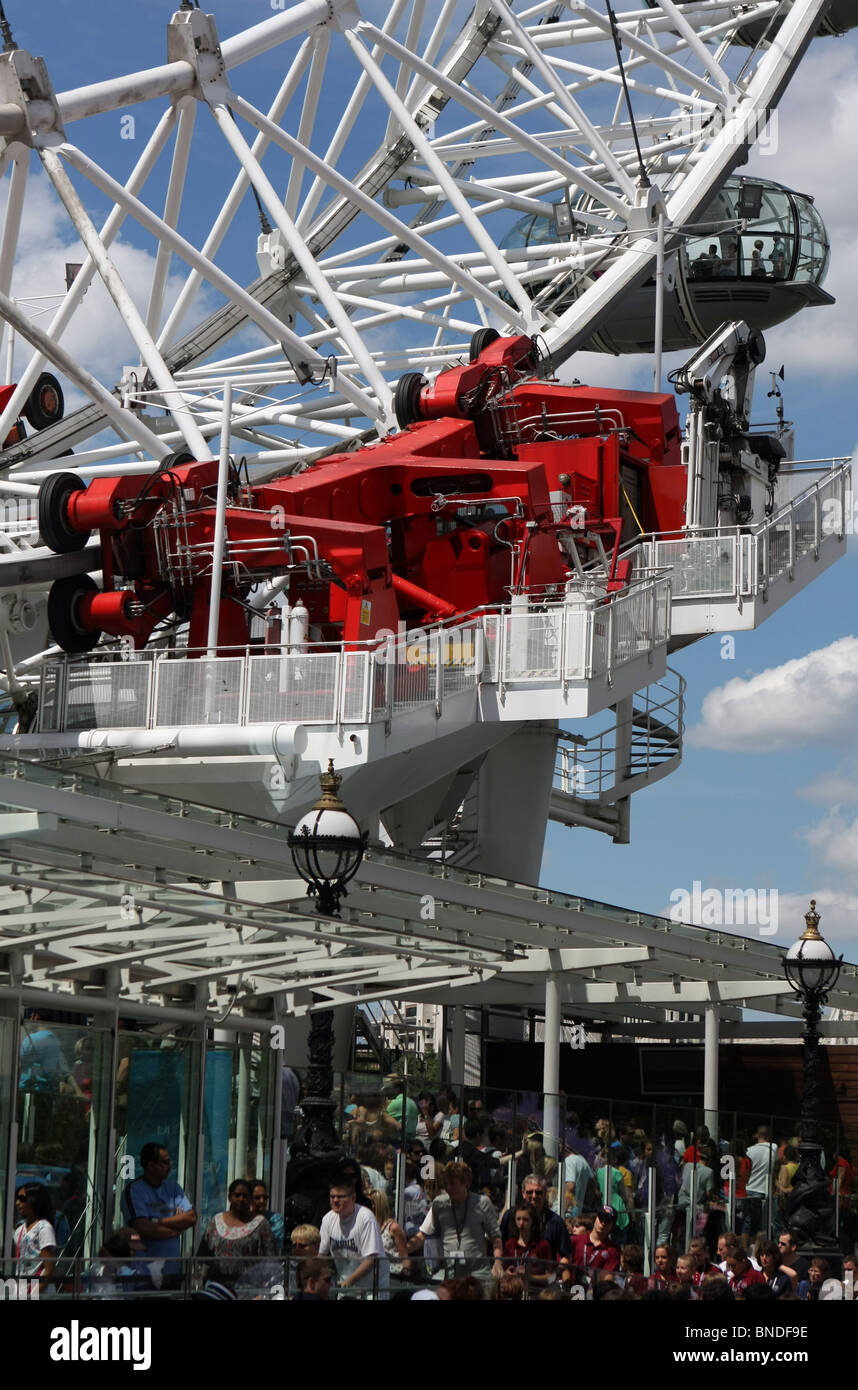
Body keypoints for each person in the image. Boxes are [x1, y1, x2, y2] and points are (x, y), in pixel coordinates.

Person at [410, 1160, 504, 1281]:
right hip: (451, 1274)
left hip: (478, 1274)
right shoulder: (439, 1204)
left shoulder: (482, 1203)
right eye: (446, 1184)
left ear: (466, 1183)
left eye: (453, 1183)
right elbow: (423, 1235)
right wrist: (403, 1251)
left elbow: (496, 1237)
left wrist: (498, 1262)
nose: (449, 1188)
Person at [121, 1142, 196, 1289]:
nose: (170, 1166)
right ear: (151, 1166)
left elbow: (191, 1217)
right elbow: (143, 1228)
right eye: (165, 1162)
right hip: (142, 1276)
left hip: (170, 1275)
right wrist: (177, 1229)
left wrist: (157, 1221)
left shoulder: (173, 1188)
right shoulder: (134, 1191)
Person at [197, 1179, 277, 1292]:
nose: (241, 1199)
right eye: (237, 1195)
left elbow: (271, 1262)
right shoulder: (216, 1221)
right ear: (229, 1197)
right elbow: (203, 1259)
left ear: (250, 1199)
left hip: (248, 1290)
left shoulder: (261, 1224)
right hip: (217, 1289)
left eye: (245, 1196)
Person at [319, 1171, 386, 1297]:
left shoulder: (366, 1218)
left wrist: (348, 1282)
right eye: (332, 1197)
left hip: (372, 1289)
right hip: (345, 1287)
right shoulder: (327, 1219)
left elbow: (370, 1259)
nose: (335, 1201)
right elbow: (322, 1256)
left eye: (340, 1197)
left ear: (353, 1198)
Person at [501, 1174, 572, 1260]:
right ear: (523, 1193)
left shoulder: (555, 1221)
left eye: (538, 1192)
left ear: (545, 1194)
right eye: (529, 1192)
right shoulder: (510, 1216)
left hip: (544, 1272)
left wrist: (554, 1272)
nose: (534, 1196)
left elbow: (566, 1256)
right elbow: (500, 1247)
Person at [14, 1183, 57, 1295]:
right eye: (17, 1198)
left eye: (22, 1199)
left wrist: (34, 1293)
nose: (17, 1203)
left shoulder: (44, 1229)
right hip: (24, 1290)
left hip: (40, 1292)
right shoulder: (19, 1230)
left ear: (34, 1201)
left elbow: (49, 1269)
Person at [502, 1200, 554, 1286]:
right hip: (513, 1292)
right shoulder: (509, 1244)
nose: (521, 1223)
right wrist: (506, 1274)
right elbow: (502, 1272)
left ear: (533, 1221)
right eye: (518, 1219)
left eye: (525, 1219)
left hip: (534, 1293)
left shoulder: (542, 1245)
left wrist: (530, 1277)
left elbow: (551, 1277)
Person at [369, 1189, 412, 1281]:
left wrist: (405, 1273)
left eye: (372, 1203)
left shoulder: (393, 1228)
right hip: (373, 1276)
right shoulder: (369, 1227)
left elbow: (405, 1256)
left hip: (392, 1275)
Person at [569, 1205, 621, 1275]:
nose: (603, 1223)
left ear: (612, 1226)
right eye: (601, 1218)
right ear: (595, 1218)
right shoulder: (575, 1240)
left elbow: (608, 1277)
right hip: (573, 1285)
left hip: (597, 1285)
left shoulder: (613, 1250)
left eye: (607, 1221)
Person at [745, 1126, 778, 1234]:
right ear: (770, 1136)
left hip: (749, 1189)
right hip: (765, 1191)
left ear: (757, 1135)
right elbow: (774, 1169)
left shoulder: (749, 1151)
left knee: (750, 1225)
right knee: (765, 1227)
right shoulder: (774, 1147)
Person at [252, 1181, 284, 1252]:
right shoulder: (242, 1219)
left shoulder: (275, 1219)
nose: (262, 1201)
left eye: (265, 1197)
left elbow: (272, 1243)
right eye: (257, 1198)